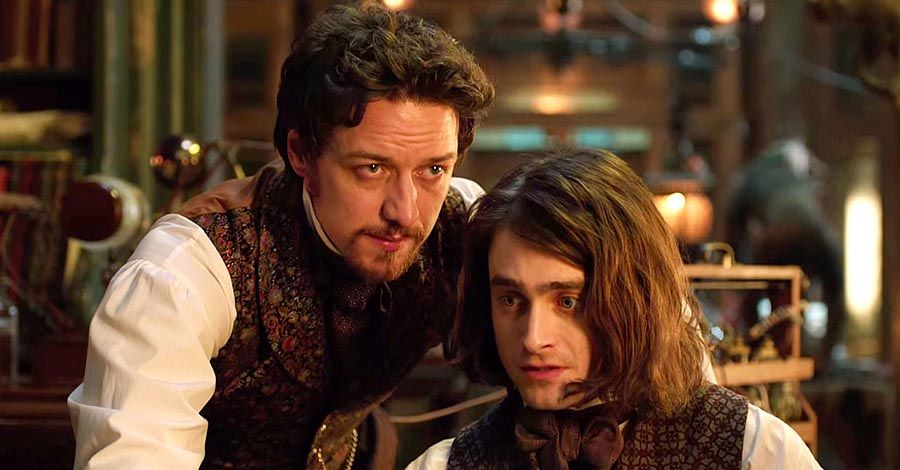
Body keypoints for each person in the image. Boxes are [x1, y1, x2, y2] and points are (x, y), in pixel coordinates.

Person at [67, 3, 494, 468]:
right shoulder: (183, 271)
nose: (405, 211)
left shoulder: (462, 223)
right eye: (372, 168)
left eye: (434, 169)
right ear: (301, 153)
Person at [408, 149, 821, 469]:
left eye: (567, 301)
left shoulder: (752, 450)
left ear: (633, 299)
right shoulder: (447, 464)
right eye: (511, 300)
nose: (533, 339)